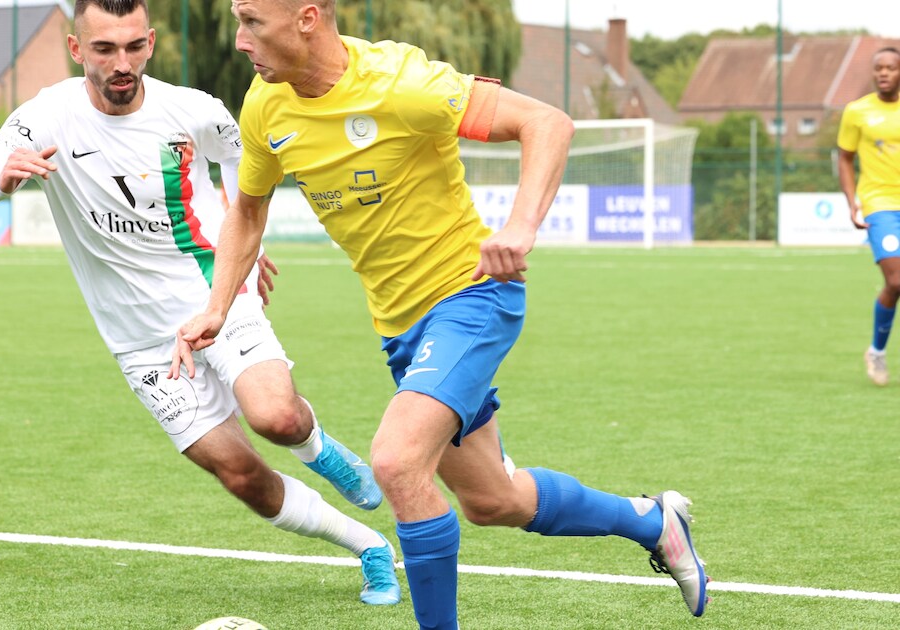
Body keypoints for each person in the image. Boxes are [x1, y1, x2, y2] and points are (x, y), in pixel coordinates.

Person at [171, 1, 708, 626]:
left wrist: (520, 226)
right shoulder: (266, 104)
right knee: (492, 499)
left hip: (470, 296)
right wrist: (217, 306)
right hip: (401, 329)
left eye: (252, 21)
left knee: (397, 462)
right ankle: (652, 521)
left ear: (308, 18)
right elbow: (247, 211)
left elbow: (547, 123)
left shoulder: (403, 82)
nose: (239, 40)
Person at [0, 0, 399, 606]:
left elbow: (244, 163)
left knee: (277, 418)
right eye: (105, 49)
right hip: (139, 341)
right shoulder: (45, 116)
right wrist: (0, 179)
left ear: (151, 43)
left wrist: (249, 243)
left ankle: (319, 450)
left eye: (134, 46)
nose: (122, 62)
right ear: (77, 50)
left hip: (215, 294)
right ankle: (368, 546)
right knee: (241, 475)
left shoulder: (193, 110)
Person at [838, 46, 900, 387]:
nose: (884, 73)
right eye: (879, 68)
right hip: (879, 203)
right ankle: (877, 351)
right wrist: (853, 201)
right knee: (897, 281)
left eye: (891, 67)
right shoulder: (857, 111)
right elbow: (845, 158)